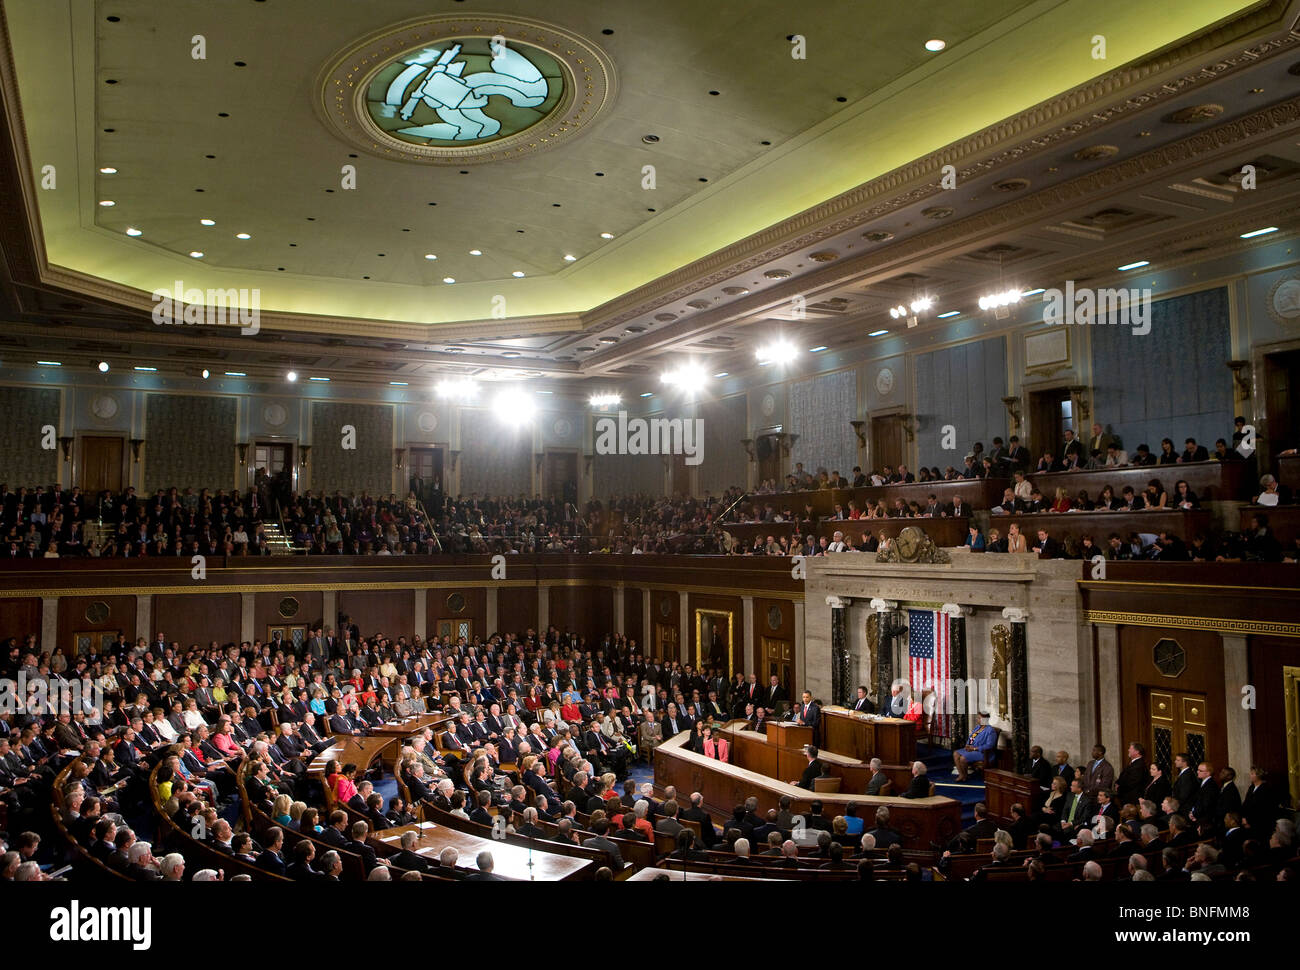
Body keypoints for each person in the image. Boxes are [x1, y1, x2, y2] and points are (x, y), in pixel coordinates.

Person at [952, 714, 998, 781]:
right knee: (955, 753)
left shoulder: (990, 730)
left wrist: (974, 748)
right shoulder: (977, 727)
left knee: (963, 758)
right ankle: (961, 775)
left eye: (979, 718)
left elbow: (989, 745)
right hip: (972, 749)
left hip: (982, 752)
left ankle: (965, 776)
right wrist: (968, 745)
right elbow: (971, 738)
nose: (977, 719)